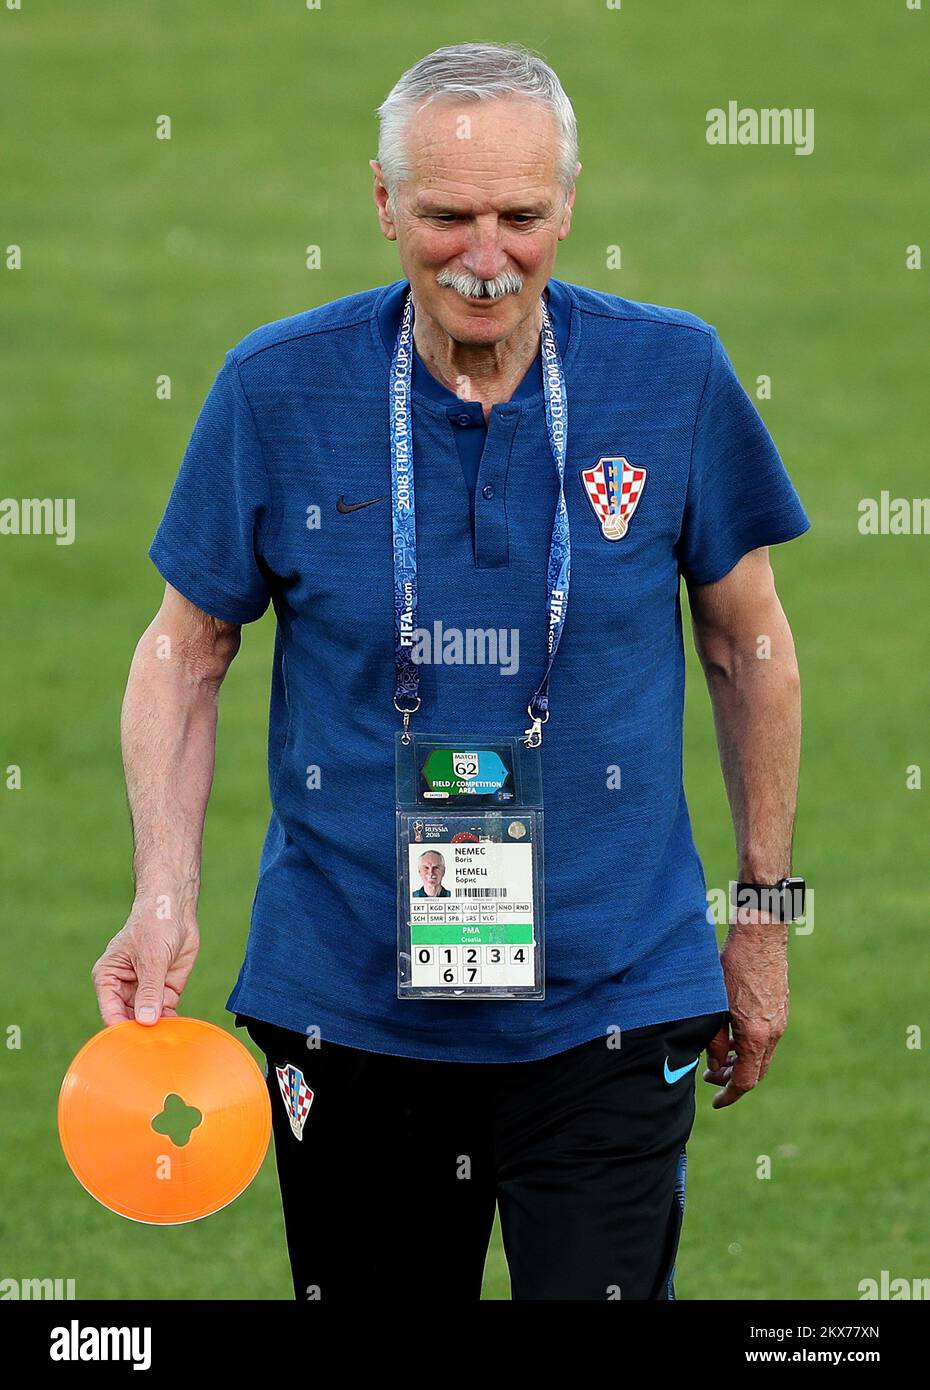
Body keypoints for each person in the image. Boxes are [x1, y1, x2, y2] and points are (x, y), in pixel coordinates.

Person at [93, 41, 810, 1301]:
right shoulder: (277, 388)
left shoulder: (673, 375)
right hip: (347, 1010)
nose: (488, 253)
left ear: (570, 205)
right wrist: (164, 887)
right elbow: (181, 652)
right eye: (448, 215)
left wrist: (762, 918)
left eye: (522, 216)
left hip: (614, 999)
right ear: (382, 203)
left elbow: (750, 645)